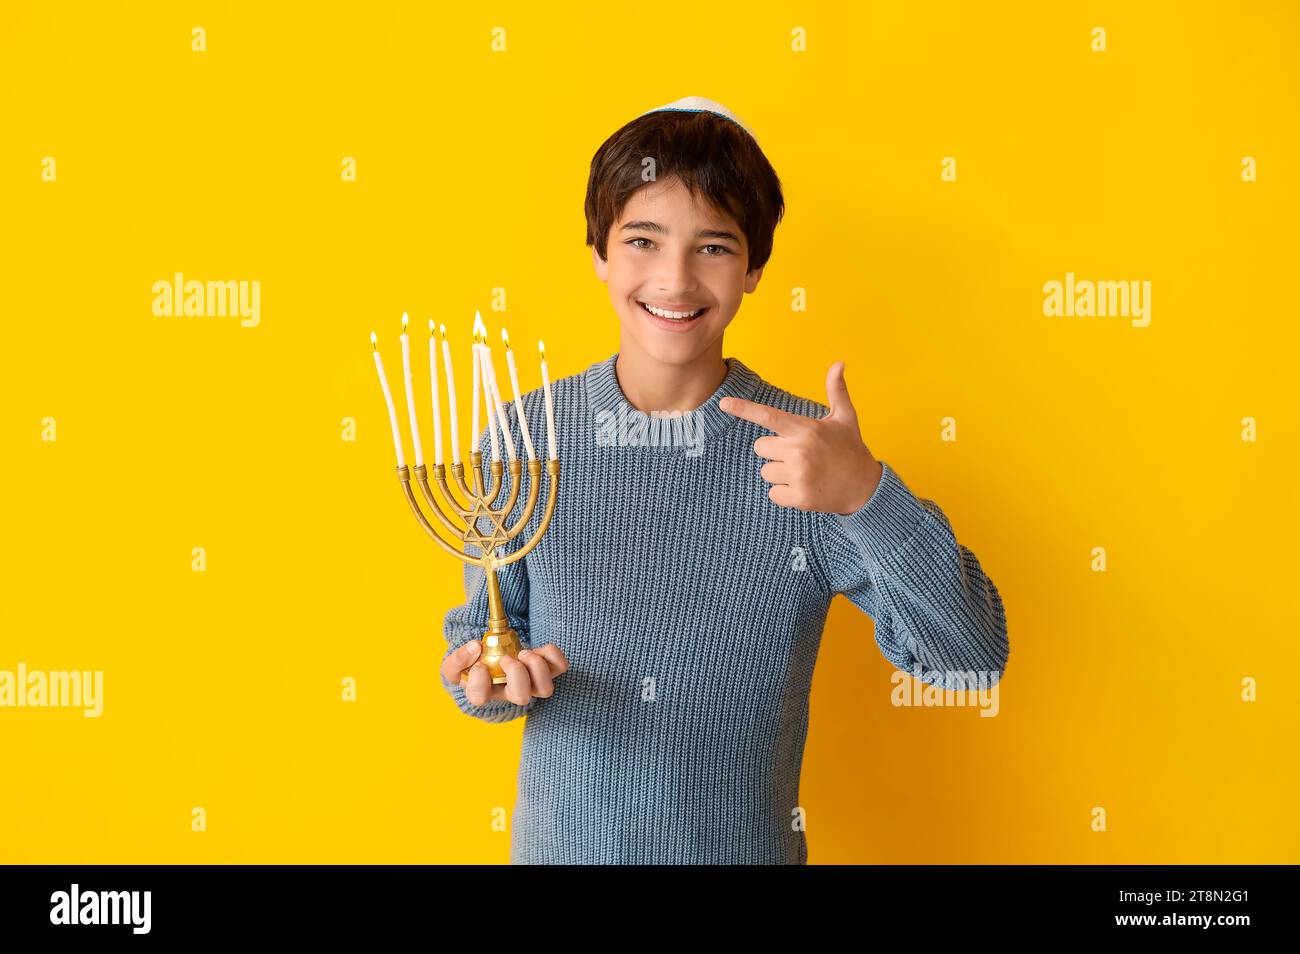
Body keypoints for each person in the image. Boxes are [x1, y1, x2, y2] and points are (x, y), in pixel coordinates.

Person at [439, 96, 1009, 864]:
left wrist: (869, 494)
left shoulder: (809, 455)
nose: (674, 279)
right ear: (599, 254)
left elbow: (970, 659)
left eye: (714, 247)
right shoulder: (520, 440)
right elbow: (484, 638)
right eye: (642, 239)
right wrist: (488, 677)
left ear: (754, 270)